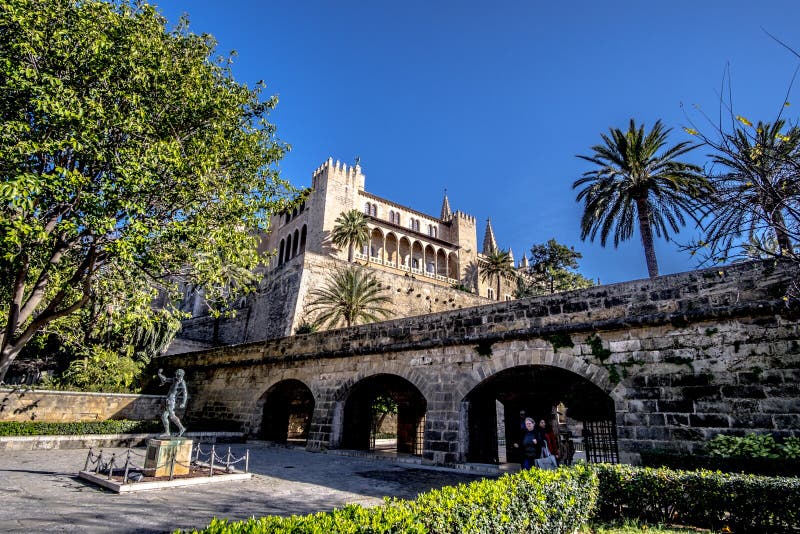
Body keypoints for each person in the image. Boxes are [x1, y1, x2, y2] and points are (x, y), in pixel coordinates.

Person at [158, 368, 188, 437]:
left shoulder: (182, 383)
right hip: (168, 399)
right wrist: (159, 374)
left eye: (177, 375)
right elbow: (165, 379)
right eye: (176, 375)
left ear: (181, 375)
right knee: (164, 417)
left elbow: (185, 393)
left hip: (171, 400)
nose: (176, 376)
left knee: (171, 416)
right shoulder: (175, 379)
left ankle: (181, 428)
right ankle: (167, 432)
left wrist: (183, 403)